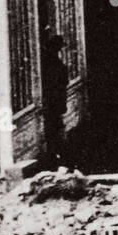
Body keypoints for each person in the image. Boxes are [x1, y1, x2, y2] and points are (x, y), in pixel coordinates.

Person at [41, 35, 70, 166]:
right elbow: (62, 80)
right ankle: (55, 154)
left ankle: (56, 153)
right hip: (53, 100)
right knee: (54, 126)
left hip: (53, 99)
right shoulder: (52, 62)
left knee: (54, 126)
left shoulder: (49, 60)